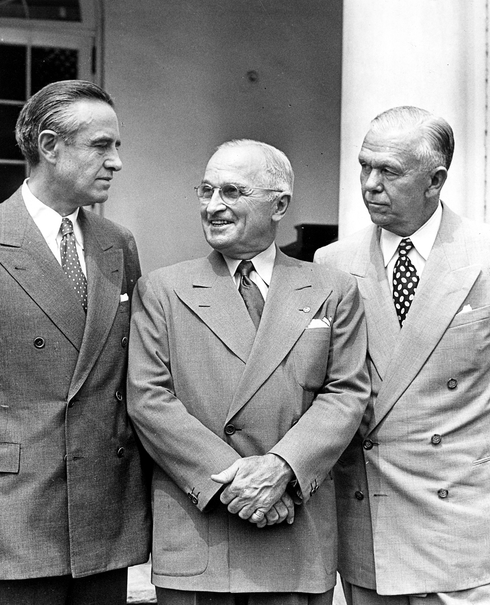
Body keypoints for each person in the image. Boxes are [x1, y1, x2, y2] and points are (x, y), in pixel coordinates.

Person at [0, 79, 150, 605]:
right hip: (11, 524)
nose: (116, 162)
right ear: (49, 146)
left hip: (103, 519)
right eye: (101, 146)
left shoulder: (118, 244)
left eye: (117, 146)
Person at [127, 139, 370, 605]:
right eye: (206, 190)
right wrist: (238, 482)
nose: (213, 206)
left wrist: (281, 470)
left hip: (294, 526)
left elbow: (346, 394)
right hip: (201, 530)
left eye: (232, 192)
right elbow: (148, 399)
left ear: (279, 205)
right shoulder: (162, 289)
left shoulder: (332, 289)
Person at [314, 106, 490, 604]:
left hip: (466, 522)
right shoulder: (332, 262)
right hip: (373, 518)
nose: (369, 184)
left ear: (435, 180)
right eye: (364, 166)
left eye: (389, 171)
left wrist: (466, 460)